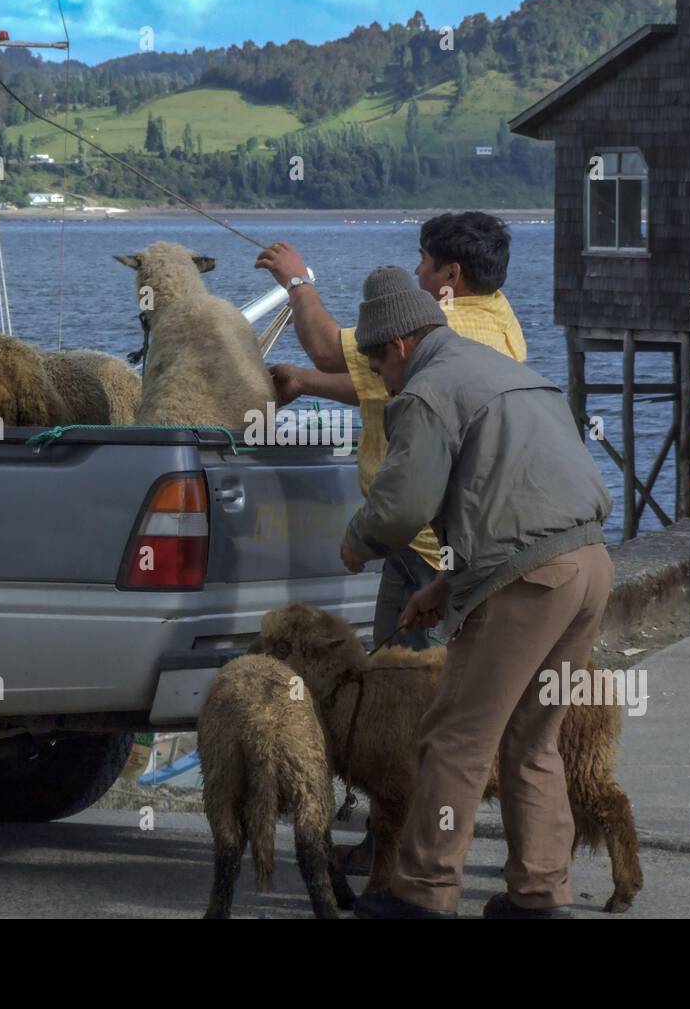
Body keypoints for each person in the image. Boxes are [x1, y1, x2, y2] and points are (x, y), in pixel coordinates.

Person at [255, 213, 529, 872]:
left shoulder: (448, 325)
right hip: (424, 549)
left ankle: (421, 860)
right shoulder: (497, 318)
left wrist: (299, 281)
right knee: (382, 692)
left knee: (422, 712)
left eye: (423, 262)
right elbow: (386, 374)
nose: (415, 272)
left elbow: (331, 346)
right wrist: (306, 385)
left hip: (436, 548)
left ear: (449, 277)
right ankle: (389, 837)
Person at [336, 272, 614, 919]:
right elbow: (515, 497)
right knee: (533, 740)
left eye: (376, 362)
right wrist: (446, 584)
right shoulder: (499, 369)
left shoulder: (427, 391)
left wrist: (358, 540)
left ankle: (423, 894)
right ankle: (539, 896)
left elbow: (402, 507)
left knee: (454, 737)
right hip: (589, 565)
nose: (379, 380)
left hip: (531, 581)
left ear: (400, 344)